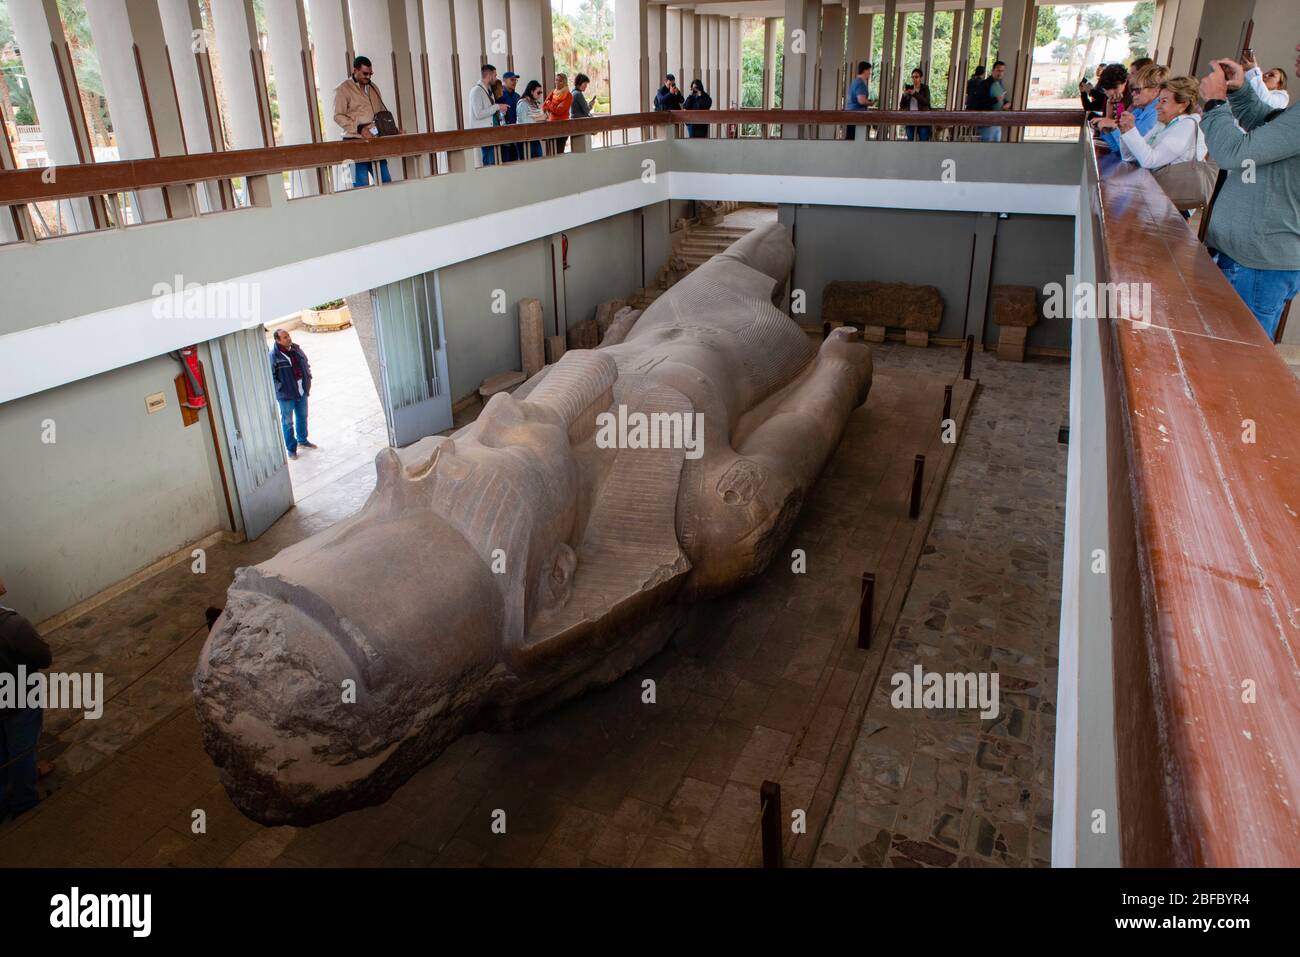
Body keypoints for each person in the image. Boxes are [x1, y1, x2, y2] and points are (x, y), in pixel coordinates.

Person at [1200, 50, 1300, 339]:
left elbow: (1234, 154)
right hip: (1249, 261)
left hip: (1256, 267)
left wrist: (1215, 103)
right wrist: (1241, 90)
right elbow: (1268, 125)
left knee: (1237, 355)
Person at [0, 575, 52, 822]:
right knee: (22, 750)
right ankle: (25, 803)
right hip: (19, 700)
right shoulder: (13, 626)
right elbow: (44, 658)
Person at [1117, 75, 1206, 171]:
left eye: (1164, 101)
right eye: (1159, 100)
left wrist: (1131, 130)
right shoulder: (1161, 124)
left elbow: (1150, 161)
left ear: (1183, 105)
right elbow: (1129, 157)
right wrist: (1126, 132)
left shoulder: (1187, 126)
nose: (1157, 106)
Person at [333, 56, 394, 187]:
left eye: (370, 74)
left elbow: (382, 113)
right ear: (355, 70)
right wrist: (360, 129)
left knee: (386, 182)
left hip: (374, 141)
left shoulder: (373, 87)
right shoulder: (343, 89)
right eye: (365, 73)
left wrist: (393, 129)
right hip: (352, 143)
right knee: (360, 187)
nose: (368, 77)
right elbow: (338, 116)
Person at [1093, 63, 1166, 153]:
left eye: (1137, 90)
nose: (1132, 93)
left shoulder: (1155, 114)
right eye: (1132, 89)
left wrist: (1114, 125)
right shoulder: (1139, 110)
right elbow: (1116, 148)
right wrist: (1107, 127)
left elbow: (1131, 152)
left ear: (1155, 91)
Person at [270, 329, 316, 459]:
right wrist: (280, 388)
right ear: (278, 340)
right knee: (287, 422)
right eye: (285, 337)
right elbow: (270, 376)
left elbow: (305, 364)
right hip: (286, 395)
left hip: (301, 390)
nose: (288, 338)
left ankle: (303, 440)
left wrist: (308, 376)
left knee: (302, 416)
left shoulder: (296, 349)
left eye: (288, 336)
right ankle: (291, 449)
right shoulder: (273, 355)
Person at [468, 63, 509, 167]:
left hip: (492, 133)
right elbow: (478, 114)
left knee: (495, 163)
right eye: (495, 75)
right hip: (485, 134)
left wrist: (499, 111)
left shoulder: (488, 91)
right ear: (489, 76)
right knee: (490, 163)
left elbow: (489, 111)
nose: (496, 78)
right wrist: (497, 106)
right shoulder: (476, 91)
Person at [971, 60, 1008, 142]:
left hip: (997, 122)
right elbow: (980, 102)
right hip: (987, 123)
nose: (1000, 73)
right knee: (987, 146)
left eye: (1002, 71)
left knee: (995, 147)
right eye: (998, 70)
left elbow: (1002, 98)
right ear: (993, 70)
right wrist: (996, 99)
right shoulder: (985, 84)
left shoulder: (1000, 84)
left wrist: (1006, 103)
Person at [515, 80, 546, 158]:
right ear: (532, 92)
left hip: (533, 137)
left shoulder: (535, 103)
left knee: (539, 160)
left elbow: (543, 116)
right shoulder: (522, 103)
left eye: (541, 92)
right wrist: (540, 118)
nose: (540, 95)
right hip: (524, 138)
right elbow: (524, 121)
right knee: (528, 161)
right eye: (538, 92)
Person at [544, 73, 573, 154]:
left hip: (562, 127)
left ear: (564, 82)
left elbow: (559, 111)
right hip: (551, 126)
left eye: (560, 81)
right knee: (550, 153)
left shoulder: (568, 95)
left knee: (559, 152)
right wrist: (552, 107)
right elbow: (544, 106)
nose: (557, 82)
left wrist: (549, 104)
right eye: (556, 80)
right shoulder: (553, 92)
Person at [900, 68, 932, 141]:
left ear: (920, 78)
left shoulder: (925, 88)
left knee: (923, 140)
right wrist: (904, 95)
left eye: (916, 77)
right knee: (910, 139)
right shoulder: (909, 88)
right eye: (913, 77)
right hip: (910, 118)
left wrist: (915, 93)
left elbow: (926, 102)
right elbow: (902, 105)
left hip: (923, 118)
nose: (914, 79)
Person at [846, 61, 873, 141]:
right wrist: (870, 103)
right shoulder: (860, 83)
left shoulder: (854, 82)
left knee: (850, 139)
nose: (870, 73)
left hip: (851, 115)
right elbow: (861, 101)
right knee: (857, 140)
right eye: (869, 70)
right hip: (858, 116)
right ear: (865, 70)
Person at [499, 71, 522, 162]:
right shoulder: (499, 96)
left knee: (516, 161)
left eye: (515, 80)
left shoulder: (517, 96)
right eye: (512, 80)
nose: (514, 82)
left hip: (517, 134)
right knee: (506, 161)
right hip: (504, 135)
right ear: (504, 81)